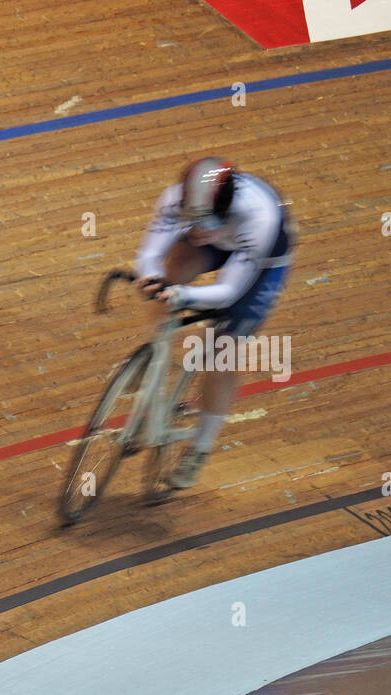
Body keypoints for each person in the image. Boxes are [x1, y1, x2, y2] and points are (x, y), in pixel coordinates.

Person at [134, 157, 295, 488]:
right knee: (170, 271)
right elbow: (149, 256)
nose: (195, 228)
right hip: (220, 242)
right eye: (189, 218)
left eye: (204, 220)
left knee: (224, 350)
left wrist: (183, 297)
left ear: (225, 211)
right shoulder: (175, 200)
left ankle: (200, 448)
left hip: (260, 261)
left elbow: (228, 292)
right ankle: (154, 356)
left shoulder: (258, 218)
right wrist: (152, 279)